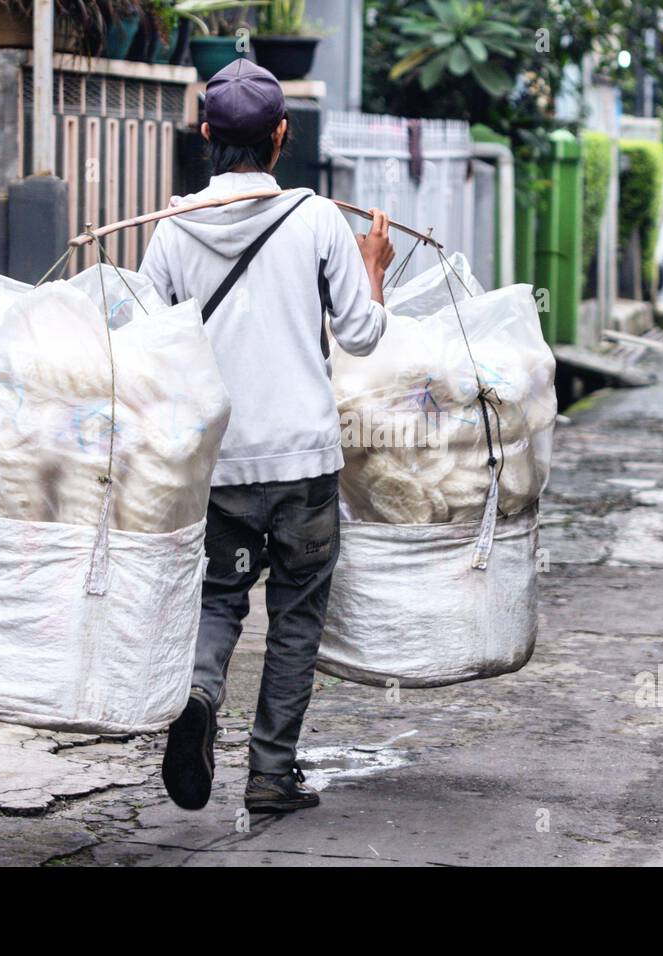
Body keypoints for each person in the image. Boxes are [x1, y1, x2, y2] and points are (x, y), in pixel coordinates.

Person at [139, 60, 395, 815]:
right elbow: (363, 334)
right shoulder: (317, 220)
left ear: (207, 134)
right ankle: (271, 774)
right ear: (282, 135)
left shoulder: (174, 227)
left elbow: (151, 340)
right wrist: (370, 267)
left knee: (218, 601)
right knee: (296, 620)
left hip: (218, 463)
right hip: (304, 461)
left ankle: (198, 694)